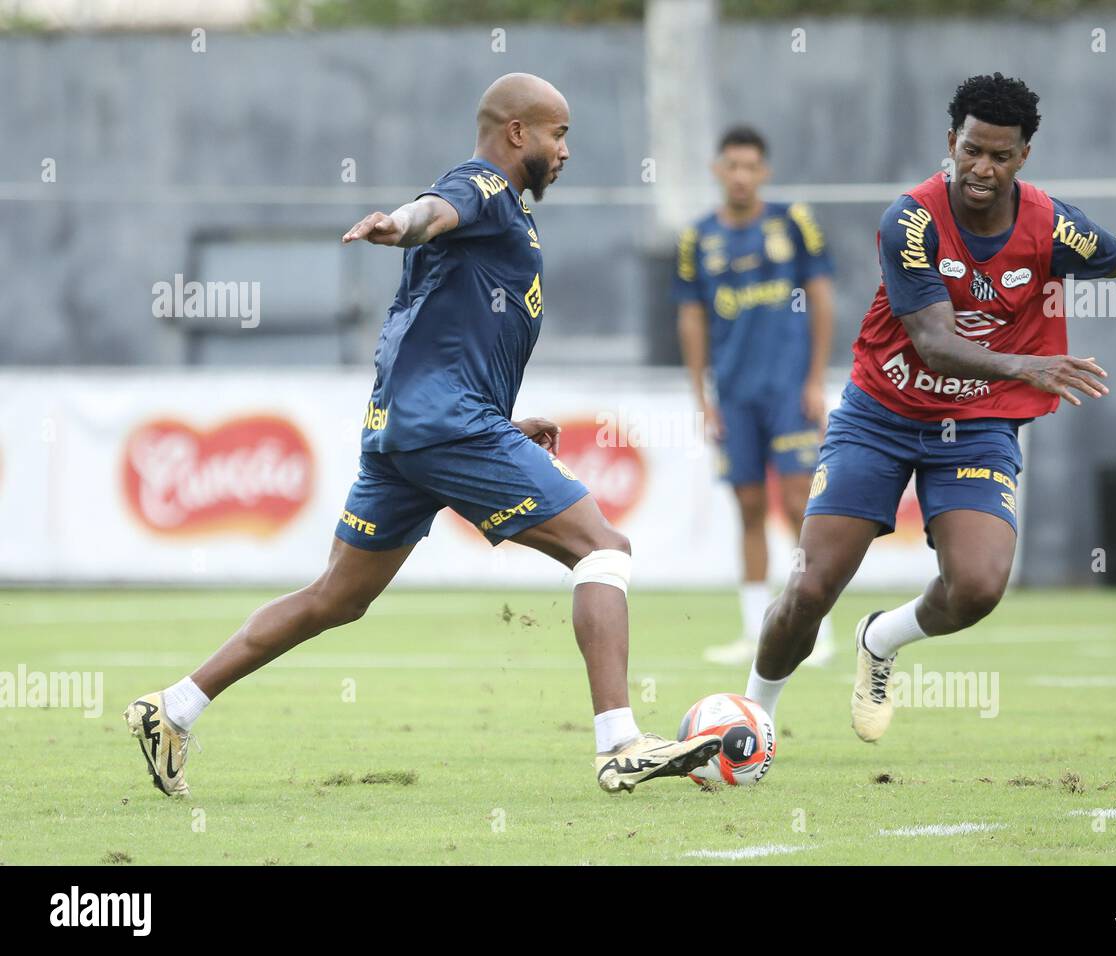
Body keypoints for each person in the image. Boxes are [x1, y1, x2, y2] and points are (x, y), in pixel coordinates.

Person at [124, 73, 721, 798]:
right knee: (603, 549)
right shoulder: (485, 187)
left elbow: (448, 327)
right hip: (443, 426)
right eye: (559, 135)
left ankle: (173, 709)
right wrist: (397, 224)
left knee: (336, 597)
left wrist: (501, 421)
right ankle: (619, 742)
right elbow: (435, 210)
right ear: (517, 133)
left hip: (411, 428)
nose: (566, 152)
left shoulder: (507, 216)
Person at [742, 73, 1116, 737]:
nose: (982, 168)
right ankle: (754, 716)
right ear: (951, 141)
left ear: (1024, 156)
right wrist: (1029, 365)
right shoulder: (911, 220)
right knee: (808, 589)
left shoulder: (1052, 224)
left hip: (976, 425)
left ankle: (881, 639)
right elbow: (935, 342)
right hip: (880, 416)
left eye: (1000, 156)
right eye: (971, 150)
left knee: (977, 588)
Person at [675, 125, 837, 667]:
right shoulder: (698, 239)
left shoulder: (793, 222)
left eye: (750, 167)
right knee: (747, 508)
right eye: (731, 166)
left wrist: (815, 380)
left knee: (797, 505)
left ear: (763, 172)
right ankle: (755, 630)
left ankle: (815, 629)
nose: (741, 176)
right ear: (717, 171)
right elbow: (692, 318)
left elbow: (820, 299)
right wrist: (702, 396)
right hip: (735, 397)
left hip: (789, 389)